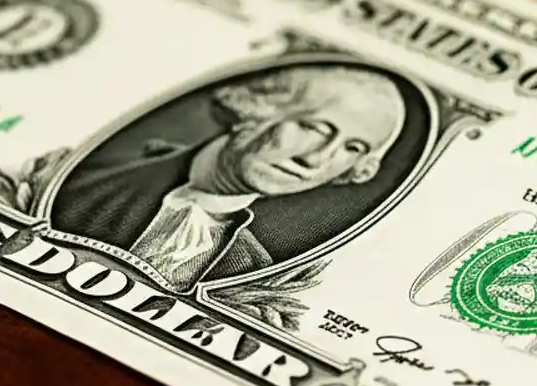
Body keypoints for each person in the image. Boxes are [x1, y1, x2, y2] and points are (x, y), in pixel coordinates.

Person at [51, 66, 406, 291]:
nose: (314, 159)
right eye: (314, 127)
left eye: (353, 148)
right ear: (253, 111)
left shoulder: (253, 268)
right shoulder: (78, 186)